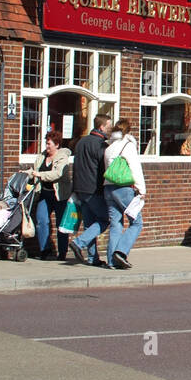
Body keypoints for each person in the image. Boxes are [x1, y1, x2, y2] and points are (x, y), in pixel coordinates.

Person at [69, 113, 112, 266]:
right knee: (105, 220)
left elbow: (76, 165)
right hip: (94, 189)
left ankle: (93, 258)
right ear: (101, 126)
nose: (110, 129)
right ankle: (79, 242)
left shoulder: (81, 142)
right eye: (108, 126)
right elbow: (104, 168)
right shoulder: (101, 145)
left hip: (80, 188)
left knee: (89, 223)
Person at [101, 119, 145, 270]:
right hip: (124, 189)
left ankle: (111, 261)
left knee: (116, 224)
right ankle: (120, 252)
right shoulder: (128, 145)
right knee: (137, 222)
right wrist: (141, 189)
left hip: (108, 188)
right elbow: (135, 167)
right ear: (128, 131)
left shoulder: (109, 147)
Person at [29, 130, 72, 260]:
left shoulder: (62, 157)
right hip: (44, 194)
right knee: (41, 221)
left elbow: (57, 174)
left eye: (49, 144)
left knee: (61, 225)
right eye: (46, 143)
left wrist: (40, 175)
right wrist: (29, 173)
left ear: (57, 145)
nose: (47, 146)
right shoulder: (42, 157)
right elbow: (35, 171)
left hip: (59, 195)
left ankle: (62, 252)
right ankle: (44, 250)